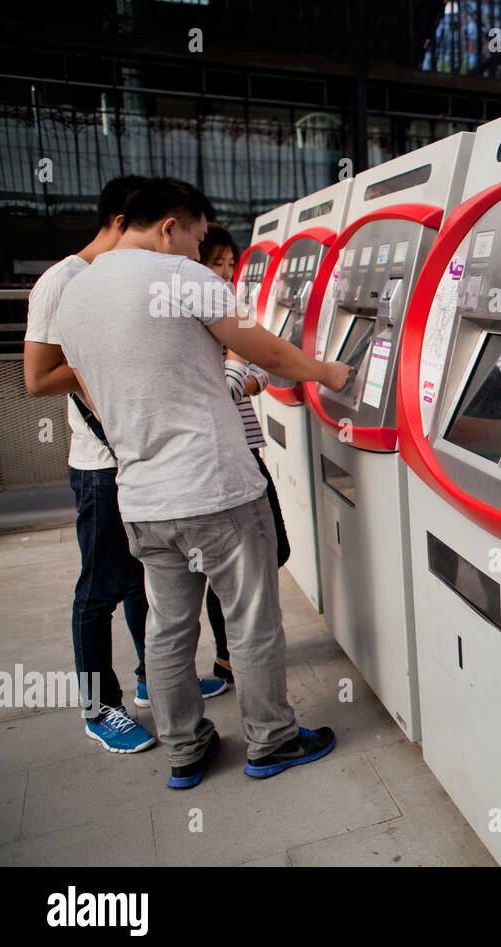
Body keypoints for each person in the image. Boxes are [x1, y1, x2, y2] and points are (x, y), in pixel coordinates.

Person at [57, 177, 353, 789]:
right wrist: (327, 371)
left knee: (168, 629)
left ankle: (186, 750)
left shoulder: (77, 295)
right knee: (251, 620)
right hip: (215, 488)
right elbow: (264, 351)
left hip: (140, 493)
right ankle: (271, 741)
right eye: (196, 237)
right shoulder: (181, 276)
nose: (199, 252)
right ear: (172, 225)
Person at [22, 176, 227, 754]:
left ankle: (149, 680)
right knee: (100, 585)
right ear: (122, 220)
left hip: (141, 451)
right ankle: (97, 706)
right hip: (100, 463)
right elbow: (37, 377)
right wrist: (112, 357)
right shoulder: (64, 282)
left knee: (145, 577)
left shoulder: (116, 279)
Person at [197, 225, 292, 684]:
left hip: (246, 448)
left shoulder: (228, 317)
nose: (226, 274)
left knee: (270, 551)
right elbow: (234, 383)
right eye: (217, 264)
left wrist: (245, 372)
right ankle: (235, 656)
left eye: (232, 265)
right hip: (227, 458)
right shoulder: (201, 322)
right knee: (240, 565)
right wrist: (242, 369)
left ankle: (231, 654)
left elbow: (260, 373)